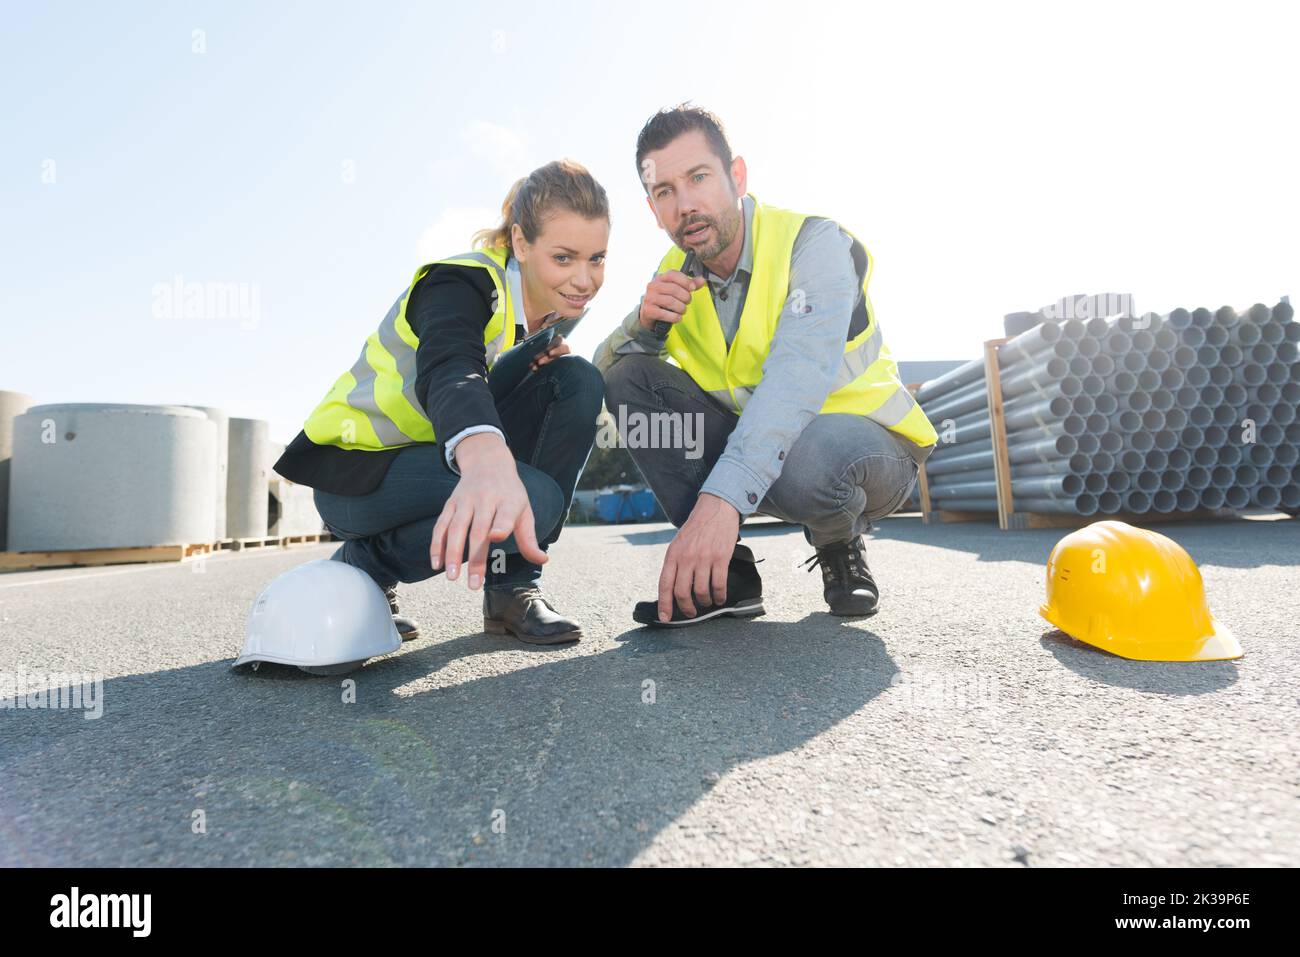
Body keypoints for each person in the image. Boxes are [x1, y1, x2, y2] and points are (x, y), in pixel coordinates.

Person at [594, 106, 938, 626]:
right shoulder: (672, 274)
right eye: (665, 192)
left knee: (811, 457)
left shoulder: (814, 243)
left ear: (737, 176)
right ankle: (724, 579)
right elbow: (605, 375)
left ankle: (837, 539)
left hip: (867, 450)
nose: (685, 204)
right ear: (653, 209)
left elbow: (795, 378)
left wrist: (718, 503)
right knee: (630, 377)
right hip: (763, 452)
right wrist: (640, 326)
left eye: (699, 177)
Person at [274, 160, 609, 645]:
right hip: (357, 472)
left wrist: (524, 366)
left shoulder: (532, 317)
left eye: (596, 258)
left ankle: (511, 591)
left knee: (574, 378)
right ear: (520, 243)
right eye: (564, 258)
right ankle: (361, 567)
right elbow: (451, 367)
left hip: (425, 459)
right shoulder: (459, 282)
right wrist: (486, 461)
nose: (584, 279)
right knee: (532, 500)